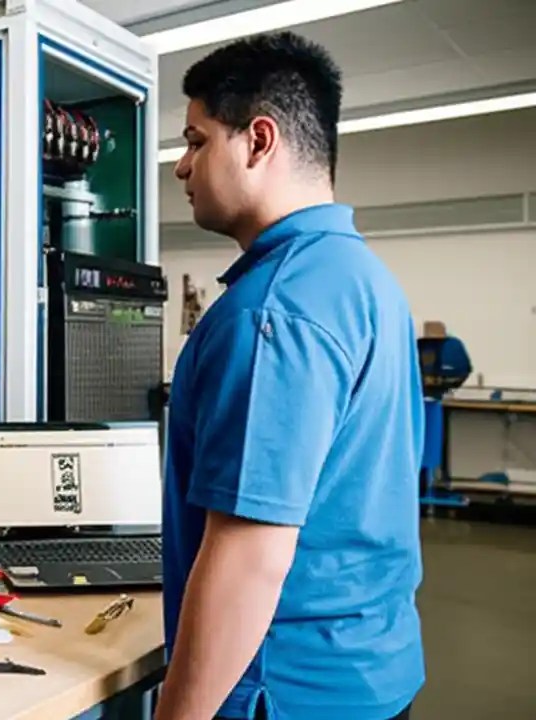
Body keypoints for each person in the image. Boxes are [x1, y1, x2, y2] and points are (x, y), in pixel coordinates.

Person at [155, 32, 424, 720]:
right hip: (372, 673)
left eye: (195, 140)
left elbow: (251, 559)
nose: (182, 167)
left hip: (286, 692)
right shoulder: (364, 279)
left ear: (259, 139)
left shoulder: (273, 308)